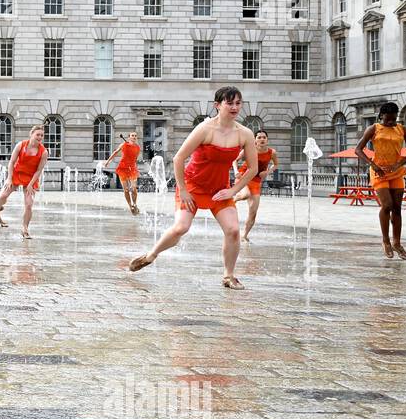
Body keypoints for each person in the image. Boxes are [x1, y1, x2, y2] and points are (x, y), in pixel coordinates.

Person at [129, 86, 259, 289]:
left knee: (233, 230)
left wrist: (233, 190)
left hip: (220, 189)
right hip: (192, 185)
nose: (234, 107)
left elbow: (253, 168)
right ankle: (151, 255)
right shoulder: (205, 129)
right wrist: (184, 190)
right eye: (229, 103)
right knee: (182, 227)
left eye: (238, 103)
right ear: (217, 105)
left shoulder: (245, 134)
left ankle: (228, 276)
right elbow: (179, 158)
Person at [355, 101, 406, 260]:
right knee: (387, 205)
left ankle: (397, 242)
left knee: (397, 208)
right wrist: (372, 164)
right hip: (379, 171)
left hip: (396, 171)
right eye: (388, 119)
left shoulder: (402, 130)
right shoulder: (373, 129)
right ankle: (385, 241)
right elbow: (358, 149)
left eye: (394, 119)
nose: (391, 122)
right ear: (381, 116)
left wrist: (399, 163)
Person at [0, 125, 48, 238]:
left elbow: (39, 170)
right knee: (3, 196)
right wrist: (8, 178)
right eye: (37, 134)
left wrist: (31, 184)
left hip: (31, 178)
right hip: (16, 174)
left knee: (29, 204)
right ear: (31, 134)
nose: (40, 137)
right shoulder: (21, 145)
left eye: (42, 135)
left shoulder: (44, 152)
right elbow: (12, 162)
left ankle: (25, 229)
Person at [231, 128, 278, 241]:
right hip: (244, 176)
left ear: (267, 140)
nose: (262, 139)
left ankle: (244, 235)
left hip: (256, 181)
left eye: (264, 137)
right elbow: (234, 160)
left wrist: (267, 172)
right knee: (246, 195)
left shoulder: (272, 152)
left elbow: (275, 165)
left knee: (253, 212)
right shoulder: (249, 149)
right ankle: (233, 199)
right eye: (259, 137)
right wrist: (236, 172)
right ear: (255, 140)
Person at [105, 132, 141, 215]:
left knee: (134, 188)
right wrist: (107, 161)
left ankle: (135, 204)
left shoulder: (138, 148)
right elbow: (115, 152)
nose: (134, 137)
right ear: (129, 137)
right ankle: (130, 206)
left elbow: (134, 159)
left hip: (132, 169)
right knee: (126, 189)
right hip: (122, 168)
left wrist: (135, 167)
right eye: (132, 135)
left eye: (135, 136)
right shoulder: (123, 145)